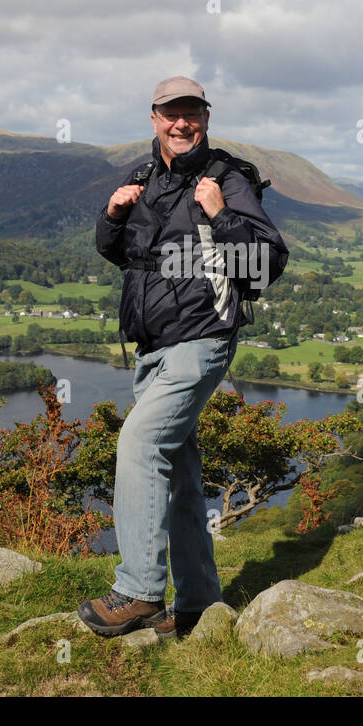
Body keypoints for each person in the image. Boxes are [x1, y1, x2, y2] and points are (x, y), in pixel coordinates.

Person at [78, 75, 289, 638]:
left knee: (140, 443)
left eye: (191, 111)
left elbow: (266, 263)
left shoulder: (229, 178)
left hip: (201, 341)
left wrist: (221, 214)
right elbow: (119, 253)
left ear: (206, 117)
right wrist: (113, 215)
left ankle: (138, 592)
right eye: (170, 112)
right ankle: (197, 603)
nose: (181, 122)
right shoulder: (142, 177)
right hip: (153, 349)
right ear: (153, 119)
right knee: (178, 477)